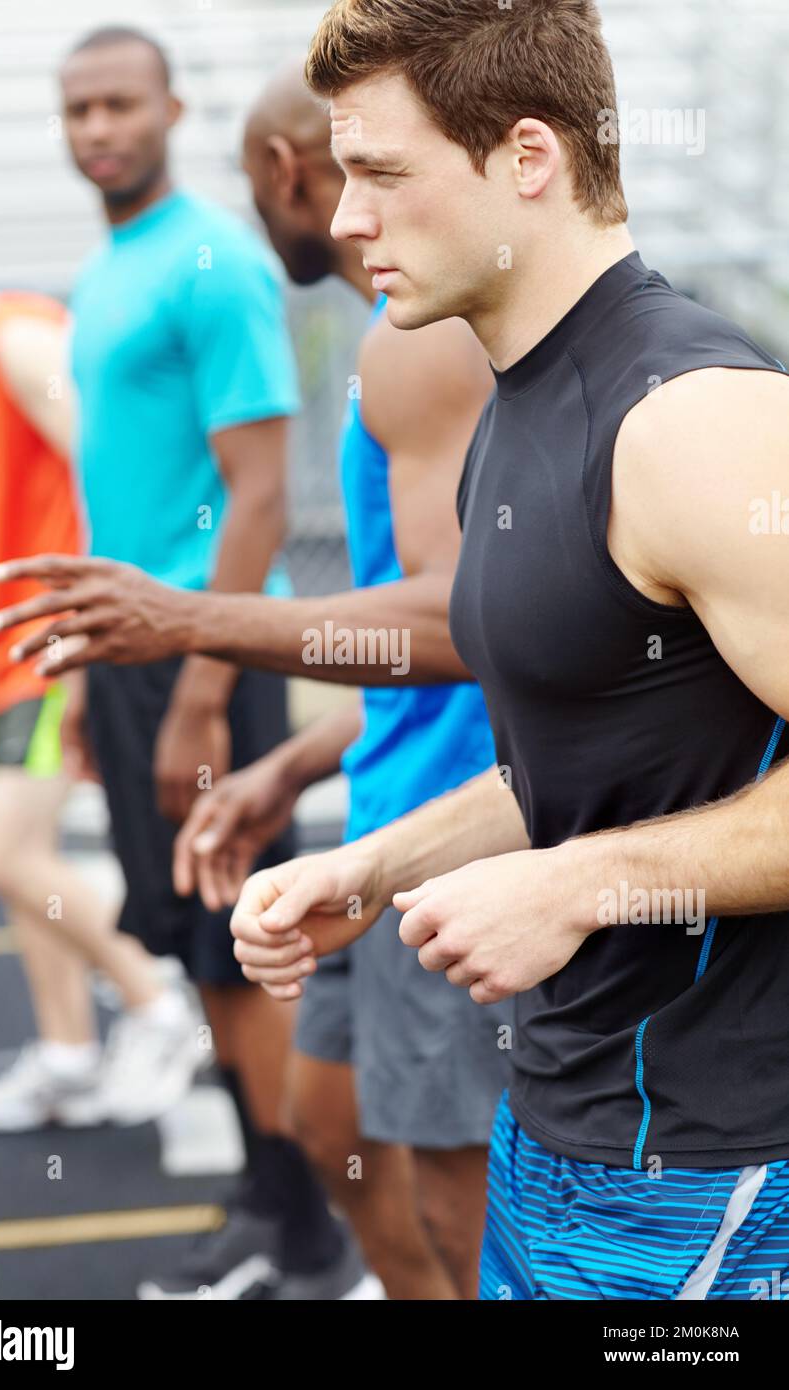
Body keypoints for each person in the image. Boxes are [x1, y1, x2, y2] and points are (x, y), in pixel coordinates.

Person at [223, 0, 789, 1302]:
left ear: (526, 158)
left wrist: (578, 884)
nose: (344, 213)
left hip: (711, 1171)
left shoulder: (688, 421)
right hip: (560, 1122)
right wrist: (374, 863)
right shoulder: (511, 392)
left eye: (378, 172)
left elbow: (594, 834)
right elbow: (588, 751)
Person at [0, 64, 511, 1300]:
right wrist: (288, 763)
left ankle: (312, 1237)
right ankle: (301, 1226)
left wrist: (201, 655)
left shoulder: (408, 342)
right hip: (359, 767)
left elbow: (453, 623)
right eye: (78, 107)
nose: (342, 220)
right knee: (327, 1118)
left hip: (439, 826)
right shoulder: (373, 337)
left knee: (454, 1202)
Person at [48, 26, 360, 1300]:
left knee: (248, 941)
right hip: (135, 660)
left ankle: (318, 1232)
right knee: (195, 944)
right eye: (75, 110)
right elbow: (119, 489)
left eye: (119, 104)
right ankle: (270, 1200)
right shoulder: (109, 265)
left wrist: (196, 689)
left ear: (171, 108)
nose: (96, 129)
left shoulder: (215, 261)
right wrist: (88, 674)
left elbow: (253, 499)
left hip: (211, 651)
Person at [0, 249, 201, 1131]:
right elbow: (16, 514)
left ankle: (157, 1006)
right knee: (19, 870)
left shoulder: (19, 337)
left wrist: (81, 635)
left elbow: (106, 476)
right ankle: (69, 1055)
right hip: (18, 649)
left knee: (1, 854)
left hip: (57, 647)